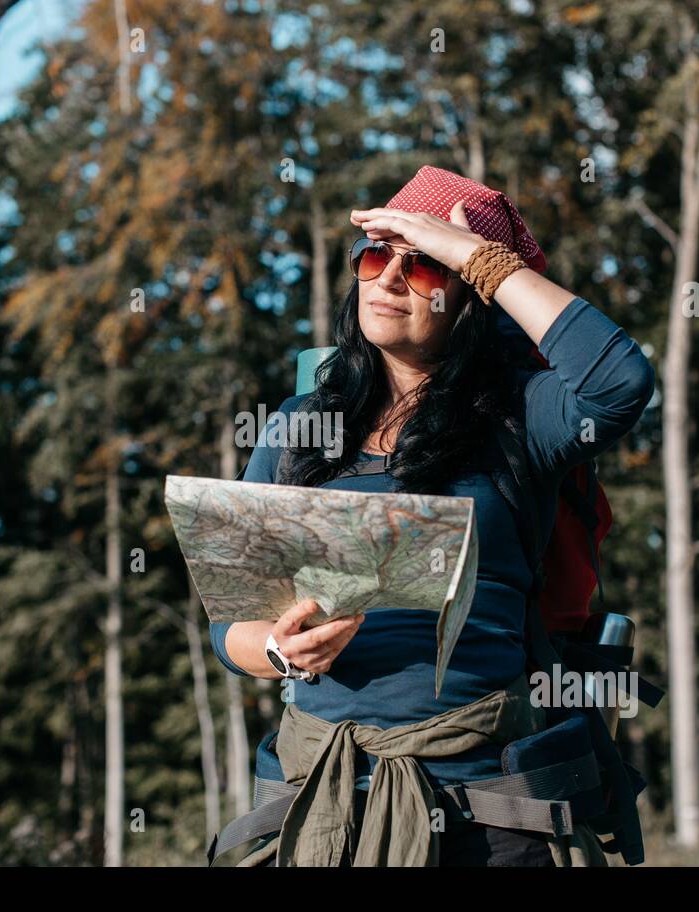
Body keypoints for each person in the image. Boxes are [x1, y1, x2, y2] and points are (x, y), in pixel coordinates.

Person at [209, 165, 656, 866]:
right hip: (324, 808)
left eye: (424, 270)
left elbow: (619, 383)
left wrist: (476, 255)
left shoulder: (523, 416)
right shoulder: (300, 430)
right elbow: (227, 626)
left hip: (488, 819)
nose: (388, 279)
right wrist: (275, 648)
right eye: (378, 255)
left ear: (472, 296)